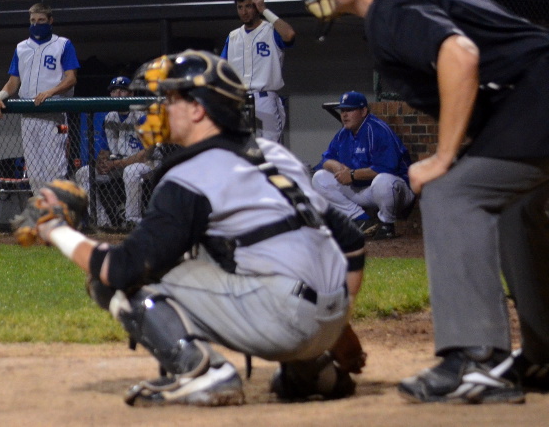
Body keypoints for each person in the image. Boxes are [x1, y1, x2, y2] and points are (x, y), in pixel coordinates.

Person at [294, 0, 549, 403]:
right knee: (516, 210)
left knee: (452, 193)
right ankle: (543, 354)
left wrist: (444, 156)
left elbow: (460, 55)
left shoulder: (390, 5)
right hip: (531, 97)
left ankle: (475, 359)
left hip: (536, 96)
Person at [19, 50, 367, 407]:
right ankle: (313, 372)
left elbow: (122, 268)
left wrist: (54, 229)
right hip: (330, 319)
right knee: (213, 252)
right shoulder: (275, 154)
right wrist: (338, 324)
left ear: (199, 110)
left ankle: (203, 373)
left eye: (170, 99)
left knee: (114, 281)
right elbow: (352, 241)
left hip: (281, 320)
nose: (158, 108)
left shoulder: (191, 173)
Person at [0, 3, 79, 191]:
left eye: (41, 20)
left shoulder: (63, 44)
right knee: (34, 172)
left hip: (54, 114)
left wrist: (50, 92)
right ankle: (41, 208)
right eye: (33, 20)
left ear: (50, 21)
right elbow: (13, 82)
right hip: (28, 116)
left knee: (55, 170)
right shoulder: (21, 47)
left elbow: (71, 78)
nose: (36, 24)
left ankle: (58, 208)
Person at [312, 90, 414, 240]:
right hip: (365, 189)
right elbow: (326, 159)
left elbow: (387, 168)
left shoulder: (378, 130)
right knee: (319, 178)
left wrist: (352, 175)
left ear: (363, 111)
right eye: (342, 110)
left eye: (350, 110)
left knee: (383, 181)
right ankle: (361, 220)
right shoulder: (343, 133)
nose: (344, 115)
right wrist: (337, 167)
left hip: (398, 191)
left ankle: (387, 225)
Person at [74, 76, 154, 228]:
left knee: (131, 171)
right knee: (83, 173)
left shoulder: (142, 116)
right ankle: (102, 222)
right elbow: (104, 149)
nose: (117, 94)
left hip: (149, 163)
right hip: (119, 163)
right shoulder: (110, 116)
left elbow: (146, 154)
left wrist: (115, 164)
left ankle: (133, 220)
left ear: (131, 94)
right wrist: (102, 162)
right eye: (114, 91)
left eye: (122, 90)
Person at [220, 0, 295, 142]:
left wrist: (265, 10)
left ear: (257, 7)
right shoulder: (233, 36)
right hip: (239, 100)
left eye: (248, 6)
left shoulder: (271, 30)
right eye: (240, 7)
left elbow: (289, 35)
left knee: (269, 150)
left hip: (264, 98)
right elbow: (221, 68)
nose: (244, 12)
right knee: (241, 149)